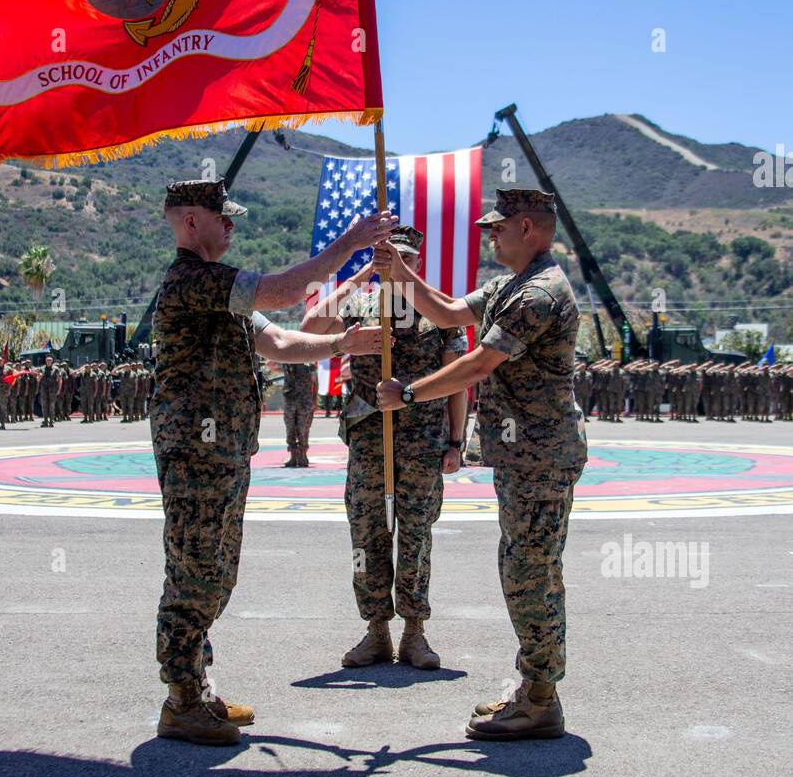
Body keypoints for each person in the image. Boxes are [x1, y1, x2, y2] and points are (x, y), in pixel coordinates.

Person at [150, 178, 396, 747]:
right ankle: (181, 699)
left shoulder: (217, 288)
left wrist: (341, 346)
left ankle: (197, 688)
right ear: (192, 222)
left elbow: (281, 343)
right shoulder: (192, 280)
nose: (232, 224)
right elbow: (285, 292)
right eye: (222, 216)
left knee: (216, 568)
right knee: (195, 570)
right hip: (196, 454)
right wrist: (349, 245)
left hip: (222, 453)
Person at [375, 188, 587, 740]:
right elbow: (446, 311)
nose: (489, 235)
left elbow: (477, 363)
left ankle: (541, 698)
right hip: (525, 456)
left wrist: (409, 393)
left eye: (497, 228)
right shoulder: (507, 287)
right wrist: (399, 274)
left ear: (527, 228)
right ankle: (533, 688)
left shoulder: (538, 293)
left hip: (541, 457)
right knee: (524, 570)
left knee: (530, 575)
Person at [302, 225, 468, 670]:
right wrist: (360, 278)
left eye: (406, 259)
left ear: (418, 263)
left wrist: (456, 442)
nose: (398, 265)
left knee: (416, 533)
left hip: (422, 440)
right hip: (370, 440)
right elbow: (311, 324)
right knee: (366, 532)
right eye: (389, 258)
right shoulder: (360, 305)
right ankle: (376, 629)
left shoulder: (439, 314)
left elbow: (459, 384)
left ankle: (415, 631)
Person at [282, 362, 316, 467]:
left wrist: (314, 399)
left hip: (304, 399)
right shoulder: (286, 361)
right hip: (290, 398)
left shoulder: (309, 363)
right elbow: (271, 364)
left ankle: (303, 455)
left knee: (304, 429)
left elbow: (315, 381)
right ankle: (293, 456)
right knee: (290, 428)